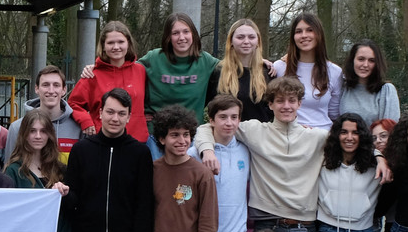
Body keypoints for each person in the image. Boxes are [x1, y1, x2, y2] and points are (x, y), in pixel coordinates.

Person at [202, 76, 331, 232]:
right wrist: (207, 150)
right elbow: (208, 127)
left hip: (305, 226)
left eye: (292, 100)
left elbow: (355, 142)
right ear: (270, 104)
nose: (286, 106)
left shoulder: (317, 137)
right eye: (279, 101)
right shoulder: (254, 131)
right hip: (267, 223)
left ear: (299, 104)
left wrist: (378, 156)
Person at [61, 89, 154, 232]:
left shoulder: (140, 154)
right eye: (110, 112)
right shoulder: (81, 150)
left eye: (121, 113)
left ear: (129, 117)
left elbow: (145, 206)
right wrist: (64, 194)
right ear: (100, 112)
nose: (115, 118)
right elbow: (73, 198)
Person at [145, 106, 217, 232]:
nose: (182, 140)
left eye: (186, 135)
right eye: (174, 135)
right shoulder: (151, 170)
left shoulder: (201, 174)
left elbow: (208, 221)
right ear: (161, 139)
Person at [132, 13, 218, 156]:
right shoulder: (154, 58)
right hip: (156, 136)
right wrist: (96, 69)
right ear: (168, 37)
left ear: (194, 34)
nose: (181, 37)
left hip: (189, 137)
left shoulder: (206, 61)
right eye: (175, 33)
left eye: (186, 32)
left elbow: (234, 68)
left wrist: (261, 63)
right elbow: (125, 72)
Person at [317, 113, 382, 232]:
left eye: (355, 133)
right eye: (344, 132)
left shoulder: (374, 164)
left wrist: (378, 156)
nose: (349, 137)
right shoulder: (322, 159)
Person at [67, 21, 149, 142]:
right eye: (110, 43)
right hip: (103, 141)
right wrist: (86, 121)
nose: (116, 47)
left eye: (121, 42)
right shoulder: (92, 74)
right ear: (103, 46)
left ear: (128, 43)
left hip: (137, 142)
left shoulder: (140, 71)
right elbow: (73, 103)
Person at [201, 95, 249, 232]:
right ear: (211, 120)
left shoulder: (246, 151)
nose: (229, 122)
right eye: (223, 117)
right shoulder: (195, 153)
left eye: (234, 117)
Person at [271, 12, 341, 130]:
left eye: (310, 30)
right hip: (288, 136)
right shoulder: (279, 67)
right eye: (298, 31)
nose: (304, 35)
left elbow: (334, 113)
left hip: (322, 138)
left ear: (319, 34)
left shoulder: (334, 71)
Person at [4, 65, 81, 166]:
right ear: (36, 89)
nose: (51, 90)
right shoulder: (17, 127)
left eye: (56, 85)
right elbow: (10, 171)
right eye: (45, 85)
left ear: (64, 90)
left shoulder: (78, 128)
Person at [205, 18, 275, 123]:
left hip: (260, 136)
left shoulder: (268, 72)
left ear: (258, 41)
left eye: (251, 37)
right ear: (231, 41)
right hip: (228, 136)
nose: (246, 41)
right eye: (240, 37)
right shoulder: (218, 72)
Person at [339, 40, 399, 125]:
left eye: (371, 60)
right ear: (352, 60)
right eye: (361, 59)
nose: (365, 65)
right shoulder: (343, 88)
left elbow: (390, 129)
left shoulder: (386, 91)